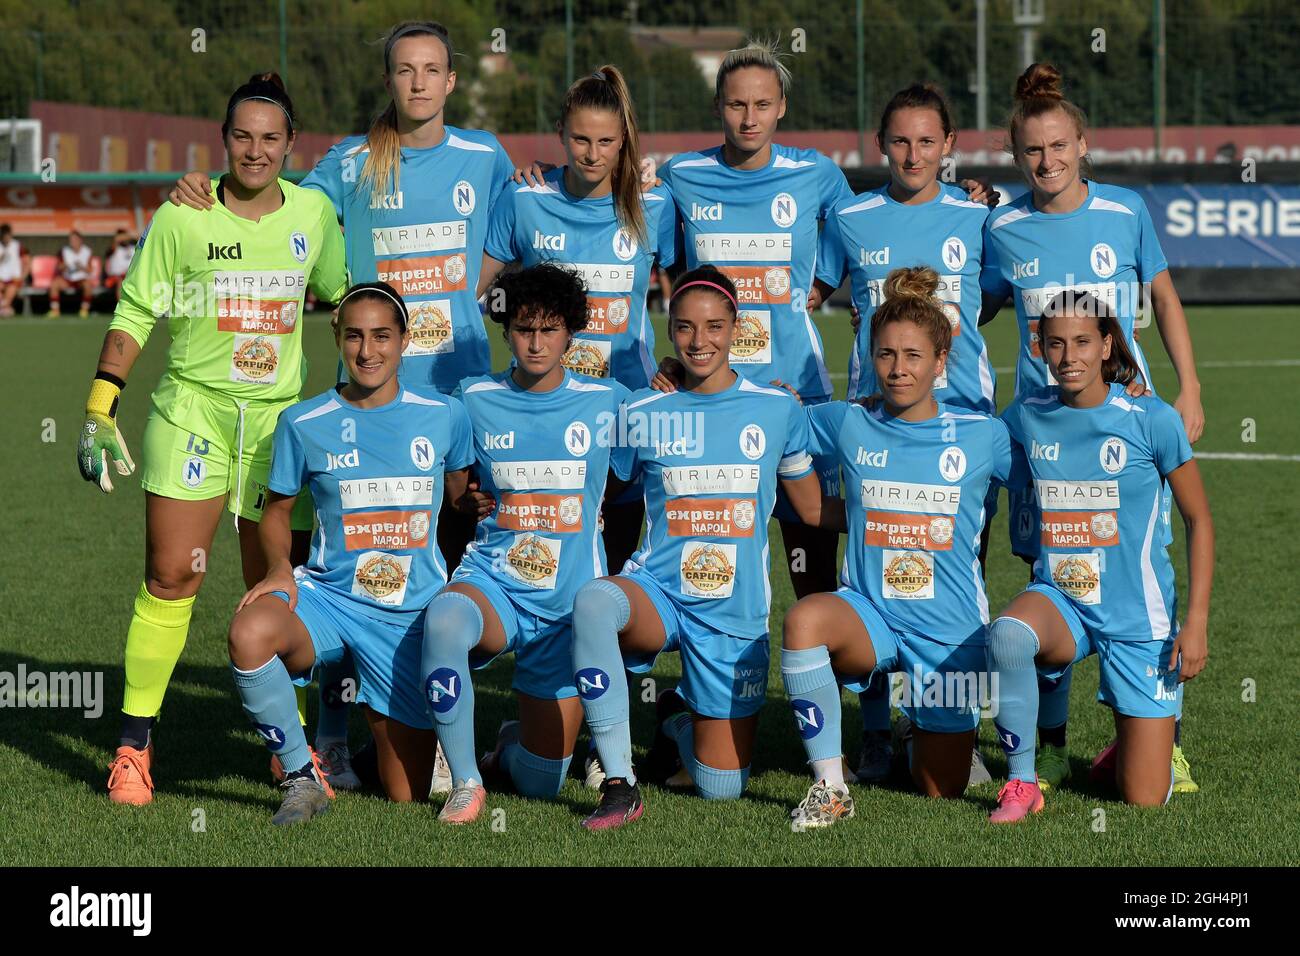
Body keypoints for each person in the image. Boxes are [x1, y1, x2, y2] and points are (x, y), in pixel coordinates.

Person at [170, 21, 516, 779]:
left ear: (452, 81)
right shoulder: (352, 163)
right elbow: (271, 201)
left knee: (446, 572)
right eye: (404, 70)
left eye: (431, 70)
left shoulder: (485, 157)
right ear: (388, 80)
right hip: (361, 404)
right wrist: (207, 188)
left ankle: (447, 727)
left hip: (448, 401)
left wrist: (468, 294)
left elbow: (510, 234)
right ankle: (327, 737)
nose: (418, 83)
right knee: (345, 563)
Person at [81, 72, 348, 806]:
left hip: (277, 425)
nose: (255, 151)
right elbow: (137, 310)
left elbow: (342, 296)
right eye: (241, 136)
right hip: (192, 414)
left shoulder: (315, 214)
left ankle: (287, 750)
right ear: (222, 140)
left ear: (291, 144)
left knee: (275, 585)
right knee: (173, 576)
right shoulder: (183, 217)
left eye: (270, 138)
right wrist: (101, 404)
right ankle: (133, 747)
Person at [979, 62, 1205, 792]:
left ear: (1082, 143)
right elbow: (976, 302)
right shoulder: (1003, 227)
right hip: (1041, 435)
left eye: (1059, 147)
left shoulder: (1124, 210)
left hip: (1120, 428)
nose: (1047, 163)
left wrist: (1190, 386)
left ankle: (1156, 731)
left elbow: (1163, 299)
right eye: (1032, 152)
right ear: (1018, 157)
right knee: (1052, 567)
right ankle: (1047, 743)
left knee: (1140, 565)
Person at [571, 266, 833, 831]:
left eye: (714, 327)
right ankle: (618, 780)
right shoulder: (643, 412)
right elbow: (604, 489)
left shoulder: (778, 408)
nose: (699, 341)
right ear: (669, 332)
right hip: (658, 590)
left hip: (733, 612)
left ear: (736, 327)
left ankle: (673, 718)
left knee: (722, 788)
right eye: (685, 328)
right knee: (594, 602)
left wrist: (895, 518)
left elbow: (811, 509)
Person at [227, 282, 483, 824]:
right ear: (338, 339)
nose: (368, 352)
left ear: (406, 340)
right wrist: (279, 568)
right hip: (329, 599)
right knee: (249, 633)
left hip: (409, 615)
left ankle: (375, 729)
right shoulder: (303, 422)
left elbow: (460, 495)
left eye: (382, 337)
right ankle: (303, 778)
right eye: (355, 337)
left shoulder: (445, 416)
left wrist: (479, 503)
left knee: (406, 793)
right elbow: (275, 513)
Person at [781, 267, 1012, 830]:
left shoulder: (985, 434)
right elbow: (782, 429)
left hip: (949, 631)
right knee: (806, 620)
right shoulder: (849, 420)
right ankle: (831, 786)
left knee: (942, 789)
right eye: (885, 354)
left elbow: (1052, 467)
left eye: (913, 356)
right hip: (871, 614)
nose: (898, 368)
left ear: (941, 362)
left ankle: (916, 726)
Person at [814, 83, 998, 785]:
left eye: (928, 141)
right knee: (868, 571)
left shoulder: (981, 217)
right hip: (876, 425)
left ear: (950, 146)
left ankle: (951, 723)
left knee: (955, 582)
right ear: (880, 144)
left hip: (962, 430)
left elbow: (1006, 299)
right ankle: (874, 730)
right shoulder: (851, 216)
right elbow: (805, 294)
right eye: (900, 141)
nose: (913, 153)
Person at [988, 290, 1213, 822]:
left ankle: (1136, 744)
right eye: (1056, 343)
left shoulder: (1151, 418)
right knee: (1009, 635)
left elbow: (1199, 519)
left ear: (1108, 343)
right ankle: (1022, 781)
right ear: (1039, 347)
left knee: (1143, 796)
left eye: (1084, 342)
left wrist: (1198, 621)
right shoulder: (1027, 414)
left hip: (1137, 616)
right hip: (1063, 598)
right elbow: (964, 443)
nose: (1070, 357)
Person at [421, 264, 630, 824]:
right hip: (495, 584)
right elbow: (451, 482)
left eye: (549, 329)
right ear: (505, 329)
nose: (535, 342)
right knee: (442, 621)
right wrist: (463, 502)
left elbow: (680, 436)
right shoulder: (471, 398)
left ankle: (507, 744)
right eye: (522, 328)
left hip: (568, 604)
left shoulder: (610, 401)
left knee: (540, 782)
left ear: (572, 332)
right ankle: (465, 781)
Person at [478, 64, 677, 575]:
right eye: (580, 139)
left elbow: (698, 295)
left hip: (625, 407)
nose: (592, 153)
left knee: (613, 570)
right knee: (540, 559)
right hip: (539, 410)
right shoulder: (524, 198)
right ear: (560, 136)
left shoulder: (653, 204)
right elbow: (476, 292)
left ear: (624, 139)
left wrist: (681, 365)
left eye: (606, 141)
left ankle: (602, 656)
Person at [49, 229, 94, 316]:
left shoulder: (87, 251)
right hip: (68, 278)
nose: (72, 242)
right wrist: (65, 266)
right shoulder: (64, 251)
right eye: (71, 239)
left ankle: (84, 310)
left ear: (80, 240)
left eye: (75, 239)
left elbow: (90, 270)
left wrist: (81, 267)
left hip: (81, 279)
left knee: (88, 285)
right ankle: (55, 310)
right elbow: (59, 267)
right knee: (55, 284)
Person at [0, 223, 30, 317]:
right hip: (1, 278)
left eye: (7, 235)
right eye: (3, 236)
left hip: (15, 278)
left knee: (11, 289)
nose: (5, 238)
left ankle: (5, 307)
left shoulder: (18, 246)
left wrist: (23, 276)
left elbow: (27, 262)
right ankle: (5, 309)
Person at [102, 229, 137, 302]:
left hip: (131, 275)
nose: (124, 239)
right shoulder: (115, 248)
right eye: (123, 236)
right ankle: (121, 306)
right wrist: (129, 236)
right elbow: (116, 239)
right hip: (114, 277)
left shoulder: (133, 247)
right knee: (121, 281)